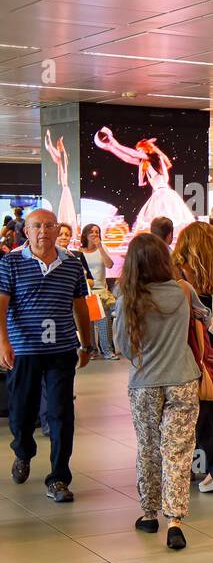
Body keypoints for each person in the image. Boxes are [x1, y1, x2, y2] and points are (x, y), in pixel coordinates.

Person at [113, 233, 203, 551]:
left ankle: (149, 514)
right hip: (183, 378)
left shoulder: (128, 299)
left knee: (149, 449)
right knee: (177, 453)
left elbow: (122, 346)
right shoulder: (183, 290)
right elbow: (204, 319)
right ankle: (174, 522)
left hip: (144, 383)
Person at [0, 209, 93, 502]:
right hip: (23, 350)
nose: (43, 231)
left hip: (61, 350)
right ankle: (23, 451)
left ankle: (58, 478)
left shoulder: (72, 263)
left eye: (48, 226)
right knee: (22, 411)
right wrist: (2, 342)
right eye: (36, 226)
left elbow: (80, 306)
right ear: (26, 231)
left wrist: (86, 344)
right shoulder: (11, 262)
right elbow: (1, 305)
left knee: (61, 414)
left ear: (57, 230)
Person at [173, 222, 213, 494]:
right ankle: (203, 464)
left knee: (194, 405)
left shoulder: (181, 271)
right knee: (212, 400)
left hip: (193, 341)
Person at [79, 224, 119, 360]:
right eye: (91, 232)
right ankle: (92, 350)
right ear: (85, 234)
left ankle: (107, 350)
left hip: (101, 292)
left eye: (97, 232)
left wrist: (100, 247)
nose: (95, 234)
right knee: (88, 325)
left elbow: (109, 264)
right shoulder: (80, 252)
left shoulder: (101, 249)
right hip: (87, 292)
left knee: (104, 323)